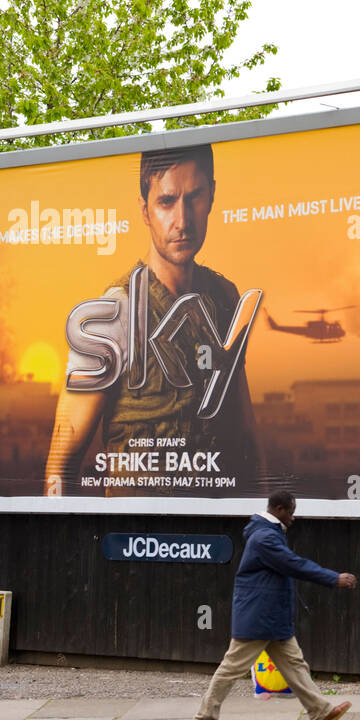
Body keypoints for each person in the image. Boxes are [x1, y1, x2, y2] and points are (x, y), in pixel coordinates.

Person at [45, 144, 259, 497]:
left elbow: (247, 433)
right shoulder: (114, 313)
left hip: (218, 535)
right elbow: (61, 460)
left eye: (194, 197)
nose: (183, 220)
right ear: (145, 210)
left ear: (213, 195)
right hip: (135, 538)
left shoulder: (225, 298)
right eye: (166, 202)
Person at [187, 490, 358, 720]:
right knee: (231, 668)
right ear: (279, 509)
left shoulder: (267, 533)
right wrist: (334, 578)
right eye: (291, 511)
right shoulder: (265, 537)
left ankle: (321, 713)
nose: (293, 517)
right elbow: (293, 564)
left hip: (270, 616)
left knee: (295, 665)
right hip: (259, 617)